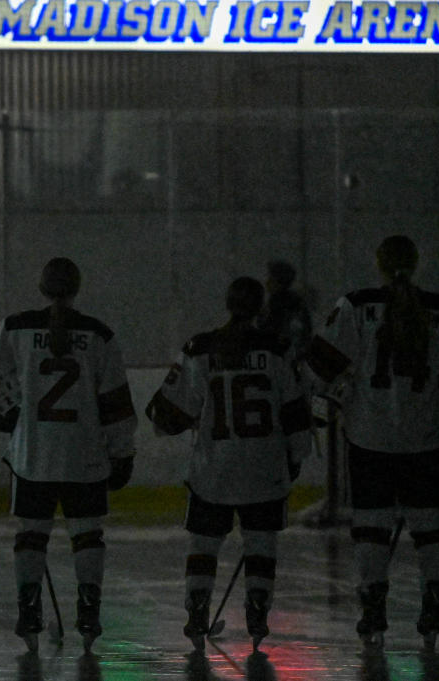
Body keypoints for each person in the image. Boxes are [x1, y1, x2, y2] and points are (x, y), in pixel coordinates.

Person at [304, 235, 439, 651]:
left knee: (371, 530)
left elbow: (320, 368)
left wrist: (329, 401)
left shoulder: (355, 306)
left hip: (369, 438)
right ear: (416, 264)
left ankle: (373, 610)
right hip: (427, 440)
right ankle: (434, 608)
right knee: (432, 531)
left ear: (377, 263)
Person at [0, 257, 137, 653]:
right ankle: (89, 613)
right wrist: (122, 454)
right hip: (85, 456)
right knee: (87, 535)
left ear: (42, 288)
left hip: (32, 454)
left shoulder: (17, 328)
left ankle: (29, 612)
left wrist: (1, 413)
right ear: (77, 289)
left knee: (31, 536)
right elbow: (117, 406)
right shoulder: (99, 335)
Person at [145, 276, 311, 652]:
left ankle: (198, 611)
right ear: (260, 309)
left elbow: (164, 414)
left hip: (213, 468)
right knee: (261, 543)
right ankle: (257, 614)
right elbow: (296, 414)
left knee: (204, 543)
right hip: (265, 467)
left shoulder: (199, 348)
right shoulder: (279, 349)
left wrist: (186, 419)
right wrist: (295, 458)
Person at [257, 260, 314, 364]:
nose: (267, 283)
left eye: (271, 278)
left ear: (278, 282)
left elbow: (269, 333)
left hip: (281, 362)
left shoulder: (278, 305)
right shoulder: (296, 303)